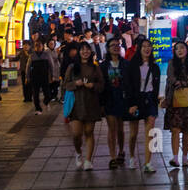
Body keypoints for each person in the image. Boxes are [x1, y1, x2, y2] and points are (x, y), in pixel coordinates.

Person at [63, 42, 104, 169]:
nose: (85, 51)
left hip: (91, 103)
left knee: (89, 131)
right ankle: (78, 152)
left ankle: (88, 160)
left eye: (87, 49)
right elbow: (65, 85)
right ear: (78, 52)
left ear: (91, 52)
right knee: (76, 134)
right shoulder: (72, 67)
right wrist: (76, 83)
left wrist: (93, 85)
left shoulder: (95, 67)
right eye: (82, 49)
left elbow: (101, 84)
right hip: (76, 104)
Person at [125, 38, 162, 173]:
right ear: (139, 49)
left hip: (150, 99)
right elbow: (128, 86)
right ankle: (132, 156)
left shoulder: (155, 67)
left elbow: (156, 85)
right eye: (144, 46)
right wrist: (132, 103)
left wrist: (156, 99)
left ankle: (147, 162)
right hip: (136, 99)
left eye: (149, 46)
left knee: (150, 132)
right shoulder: (132, 66)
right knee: (133, 133)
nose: (147, 49)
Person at [163, 40, 188, 169]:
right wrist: (177, 83)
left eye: (182, 48)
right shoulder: (172, 64)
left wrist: (184, 84)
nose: (180, 50)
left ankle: (185, 157)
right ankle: (175, 157)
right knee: (175, 129)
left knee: (187, 131)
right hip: (174, 101)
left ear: (187, 50)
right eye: (177, 48)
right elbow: (170, 77)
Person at [100, 37, 130, 169]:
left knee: (120, 128)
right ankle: (112, 156)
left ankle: (121, 151)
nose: (116, 47)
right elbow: (101, 84)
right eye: (113, 45)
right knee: (111, 128)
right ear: (108, 48)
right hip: (109, 99)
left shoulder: (126, 64)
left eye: (118, 45)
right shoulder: (103, 66)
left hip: (122, 99)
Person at [24, 39, 53, 114]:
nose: (38, 47)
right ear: (34, 47)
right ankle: (38, 109)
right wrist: (27, 77)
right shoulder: (32, 56)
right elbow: (28, 67)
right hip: (35, 77)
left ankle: (46, 102)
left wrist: (52, 76)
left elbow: (51, 66)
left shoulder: (46, 55)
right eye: (36, 45)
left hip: (45, 77)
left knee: (48, 94)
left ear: (42, 46)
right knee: (35, 94)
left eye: (39, 45)